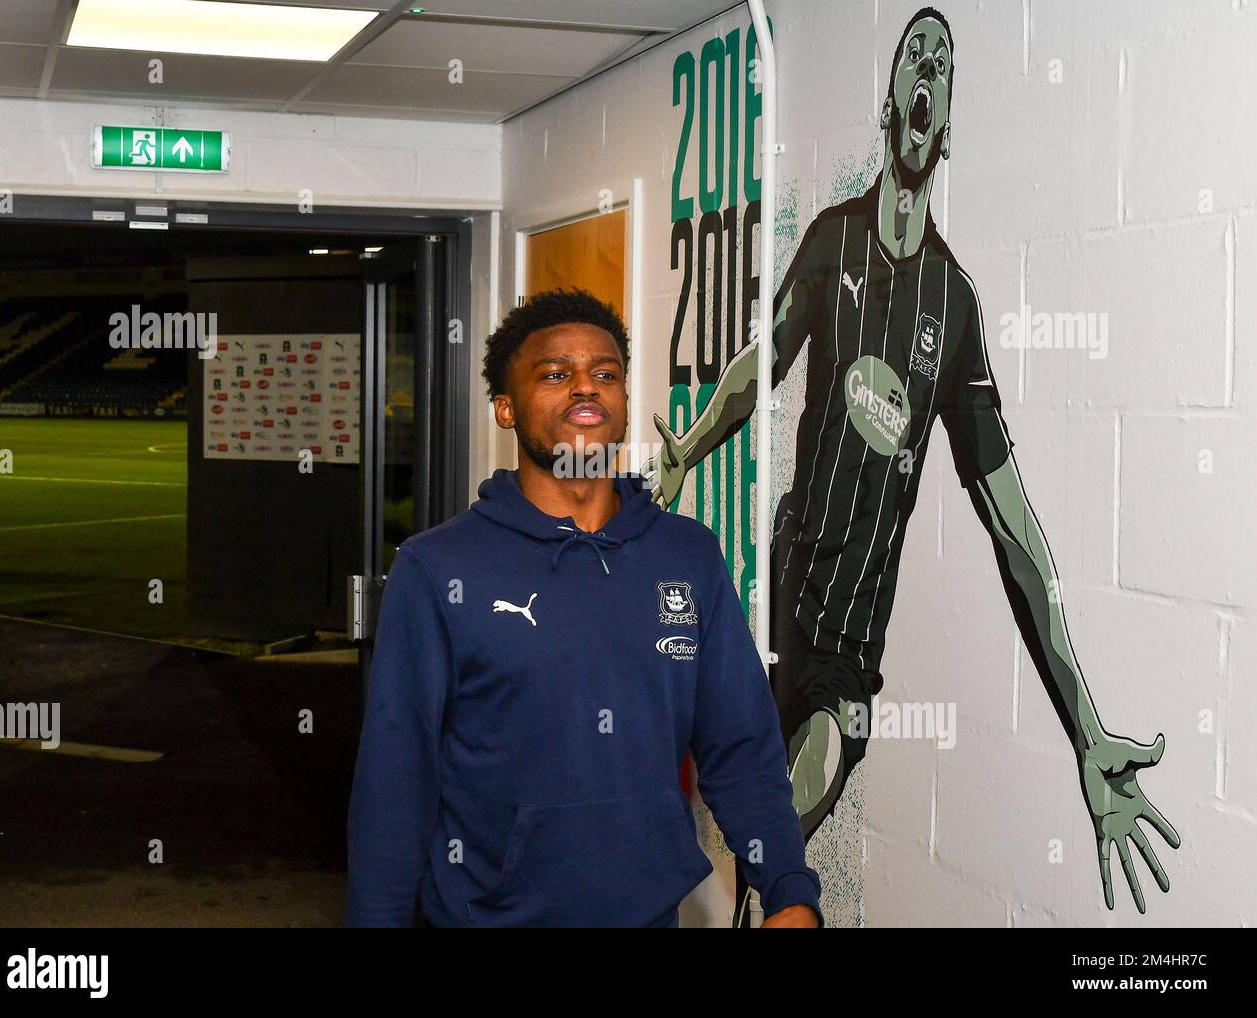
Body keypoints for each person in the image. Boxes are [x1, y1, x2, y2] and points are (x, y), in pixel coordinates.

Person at [648, 7, 1178, 921]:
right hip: (779, 598)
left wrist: (1086, 728)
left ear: (946, 119)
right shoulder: (831, 239)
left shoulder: (955, 304)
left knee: (779, 825)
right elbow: (759, 362)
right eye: (913, 56)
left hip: (848, 653)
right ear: (890, 98)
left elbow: (1018, 536)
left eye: (943, 62)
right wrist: (690, 449)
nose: (926, 68)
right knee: (748, 850)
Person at [346, 288, 822, 927]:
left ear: (624, 403)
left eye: (605, 373)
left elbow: (739, 744)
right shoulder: (438, 569)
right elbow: (395, 780)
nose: (585, 387)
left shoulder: (686, 556)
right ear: (505, 408)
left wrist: (788, 890)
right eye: (554, 374)